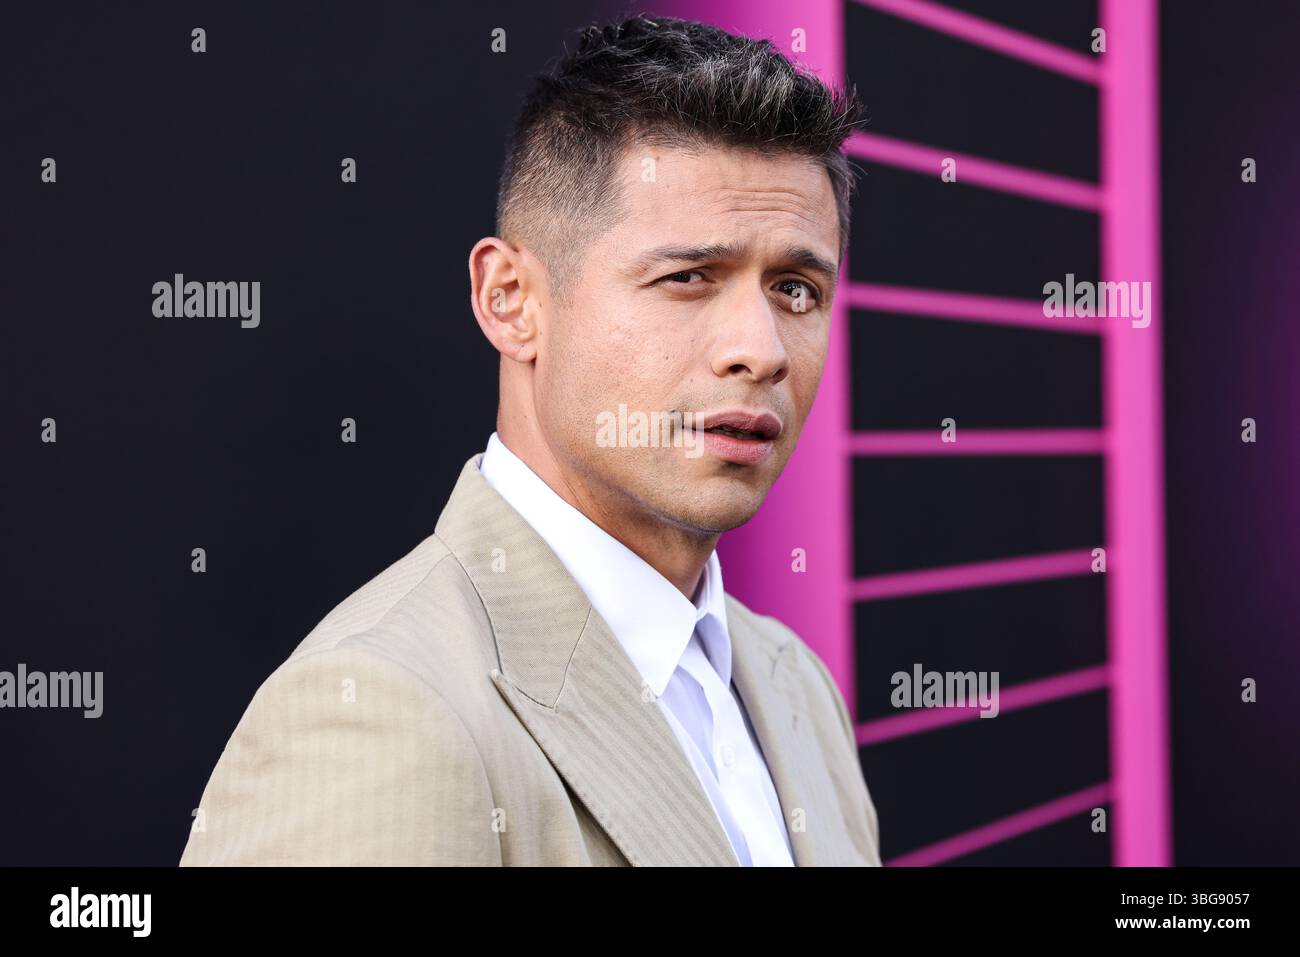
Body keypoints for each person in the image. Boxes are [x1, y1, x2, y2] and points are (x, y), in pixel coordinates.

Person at [181, 13, 880, 866]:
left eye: (797, 289)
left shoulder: (793, 682)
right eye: (688, 277)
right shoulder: (379, 708)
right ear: (511, 299)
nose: (762, 349)